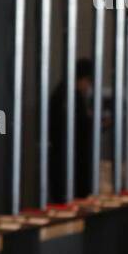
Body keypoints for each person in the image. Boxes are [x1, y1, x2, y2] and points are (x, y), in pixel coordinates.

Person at [48, 57, 94, 202]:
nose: (88, 87)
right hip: (70, 164)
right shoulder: (71, 97)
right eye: (89, 82)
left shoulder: (62, 93)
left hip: (63, 162)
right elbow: (79, 130)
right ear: (83, 78)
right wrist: (93, 122)